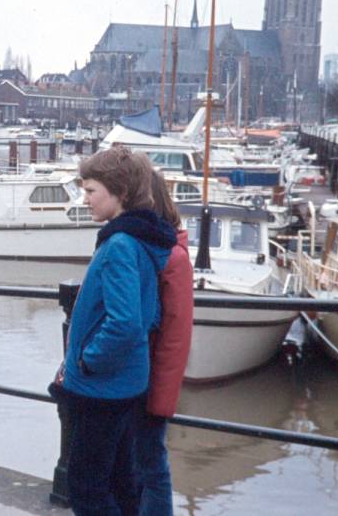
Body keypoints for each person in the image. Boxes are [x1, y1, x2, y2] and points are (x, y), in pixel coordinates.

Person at [49, 147, 175, 516]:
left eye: (91, 191)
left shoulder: (120, 244)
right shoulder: (142, 240)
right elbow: (149, 315)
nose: (84, 199)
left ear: (119, 192)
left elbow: (125, 322)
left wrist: (88, 362)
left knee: (86, 487)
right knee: (122, 483)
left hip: (102, 387)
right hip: (125, 384)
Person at [135, 171, 194, 515]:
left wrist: (161, 398)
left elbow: (176, 333)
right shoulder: (161, 252)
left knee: (152, 463)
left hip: (150, 381)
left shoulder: (173, 258)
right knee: (144, 460)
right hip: (142, 378)